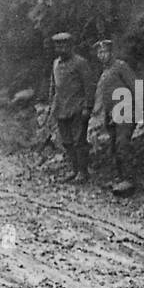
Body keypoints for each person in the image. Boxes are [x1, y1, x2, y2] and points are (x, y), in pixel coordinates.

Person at [91, 39, 138, 187]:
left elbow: (136, 88)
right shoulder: (105, 73)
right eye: (99, 53)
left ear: (111, 53)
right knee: (114, 147)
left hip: (126, 112)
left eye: (104, 52)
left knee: (122, 145)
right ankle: (119, 177)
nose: (102, 55)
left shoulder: (121, 67)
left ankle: (128, 179)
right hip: (111, 115)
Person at [48, 32, 94, 183]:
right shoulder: (55, 63)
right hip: (61, 108)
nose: (61, 48)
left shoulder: (80, 63)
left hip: (77, 108)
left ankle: (83, 172)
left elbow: (89, 85)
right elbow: (53, 86)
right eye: (58, 45)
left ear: (71, 46)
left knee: (79, 141)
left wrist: (88, 106)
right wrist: (51, 105)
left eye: (64, 45)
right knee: (67, 141)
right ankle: (74, 170)